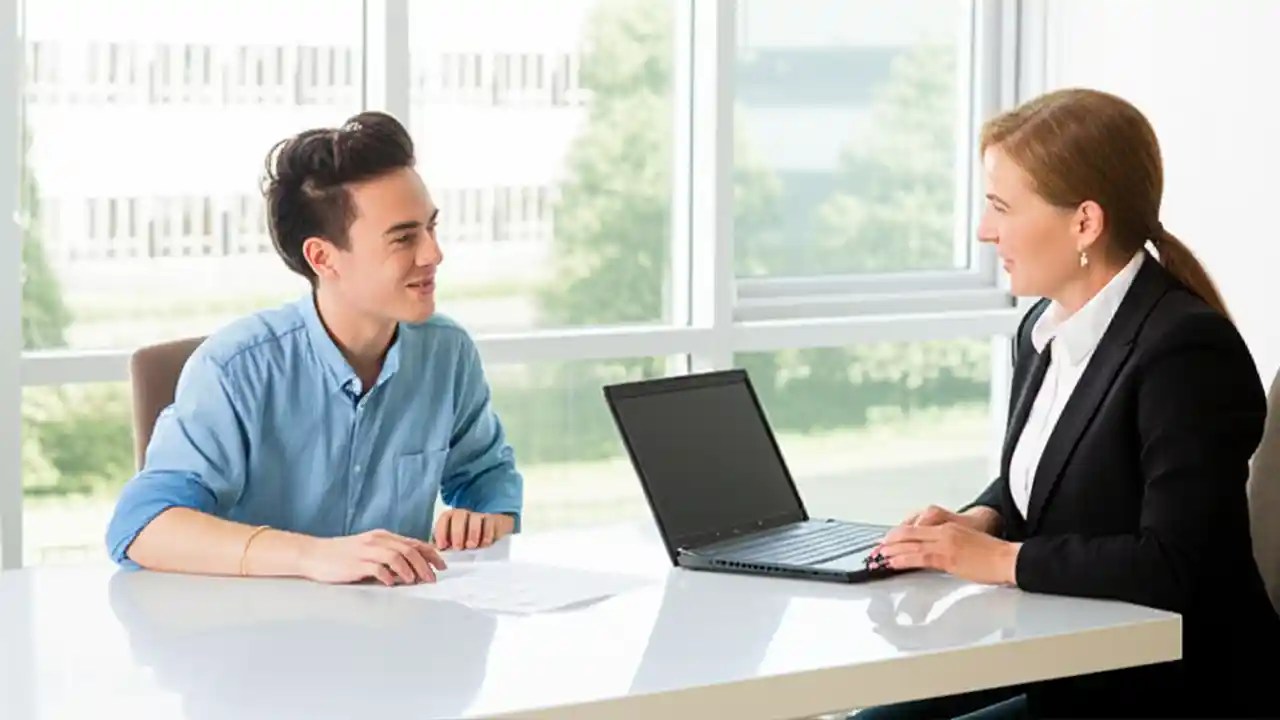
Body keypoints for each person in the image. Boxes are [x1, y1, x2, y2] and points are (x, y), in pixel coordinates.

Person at [854, 88, 1280, 718]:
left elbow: (1174, 562)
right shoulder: (1043, 330)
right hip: (1071, 653)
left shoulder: (1186, 352)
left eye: (1002, 207)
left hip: (1173, 686)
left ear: (1084, 221)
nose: (983, 230)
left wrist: (999, 560)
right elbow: (1055, 477)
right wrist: (982, 519)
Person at [105, 111, 523, 587]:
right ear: (323, 258)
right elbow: (141, 527)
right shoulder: (234, 369)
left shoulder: (447, 355)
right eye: (404, 238)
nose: (433, 254)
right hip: (252, 644)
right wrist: (313, 556)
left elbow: (487, 480)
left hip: (399, 641)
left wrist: (484, 515)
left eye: (431, 228)